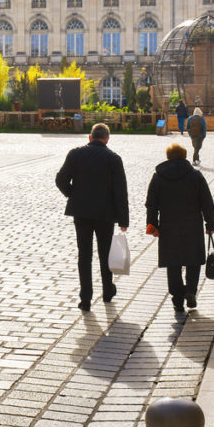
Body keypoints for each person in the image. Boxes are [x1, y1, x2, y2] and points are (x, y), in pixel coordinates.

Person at [55, 123, 130, 312]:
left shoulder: (75, 154)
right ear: (107, 139)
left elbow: (60, 179)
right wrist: (123, 220)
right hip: (105, 213)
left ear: (90, 137)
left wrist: (73, 195)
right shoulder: (114, 159)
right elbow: (120, 192)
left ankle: (85, 298)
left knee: (84, 254)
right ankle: (107, 291)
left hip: (81, 212)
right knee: (105, 253)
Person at [145, 143, 214, 314]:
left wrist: (152, 225)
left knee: (173, 262)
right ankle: (191, 291)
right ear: (185, 156)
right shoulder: (195, 176)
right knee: (193, 260)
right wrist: (210, 223)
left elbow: (151, 205)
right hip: (192, 224)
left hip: (169, 225)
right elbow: (207, 203)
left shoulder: (158, 177)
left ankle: (177, 298)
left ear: (168, 156)